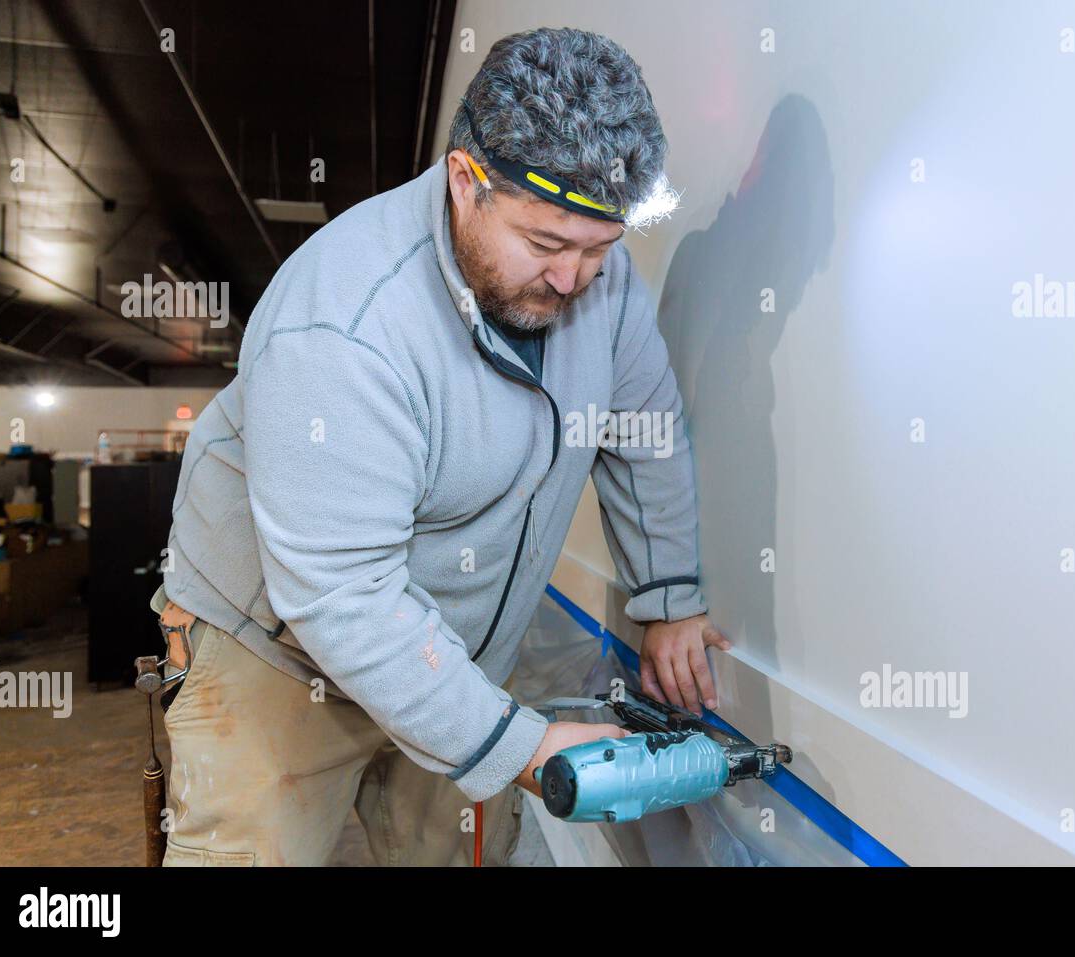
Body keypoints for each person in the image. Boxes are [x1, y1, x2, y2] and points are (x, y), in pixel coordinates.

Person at [151, 25, 730, 866]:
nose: (572, 281)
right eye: (544, 244)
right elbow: (344, 596)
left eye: (597, 251)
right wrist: (524, 748)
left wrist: (669, 599)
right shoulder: (345, 326)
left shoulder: (601, 289)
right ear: (466, 180)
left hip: (453, 651)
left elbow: (643, 433)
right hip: (276, 652)